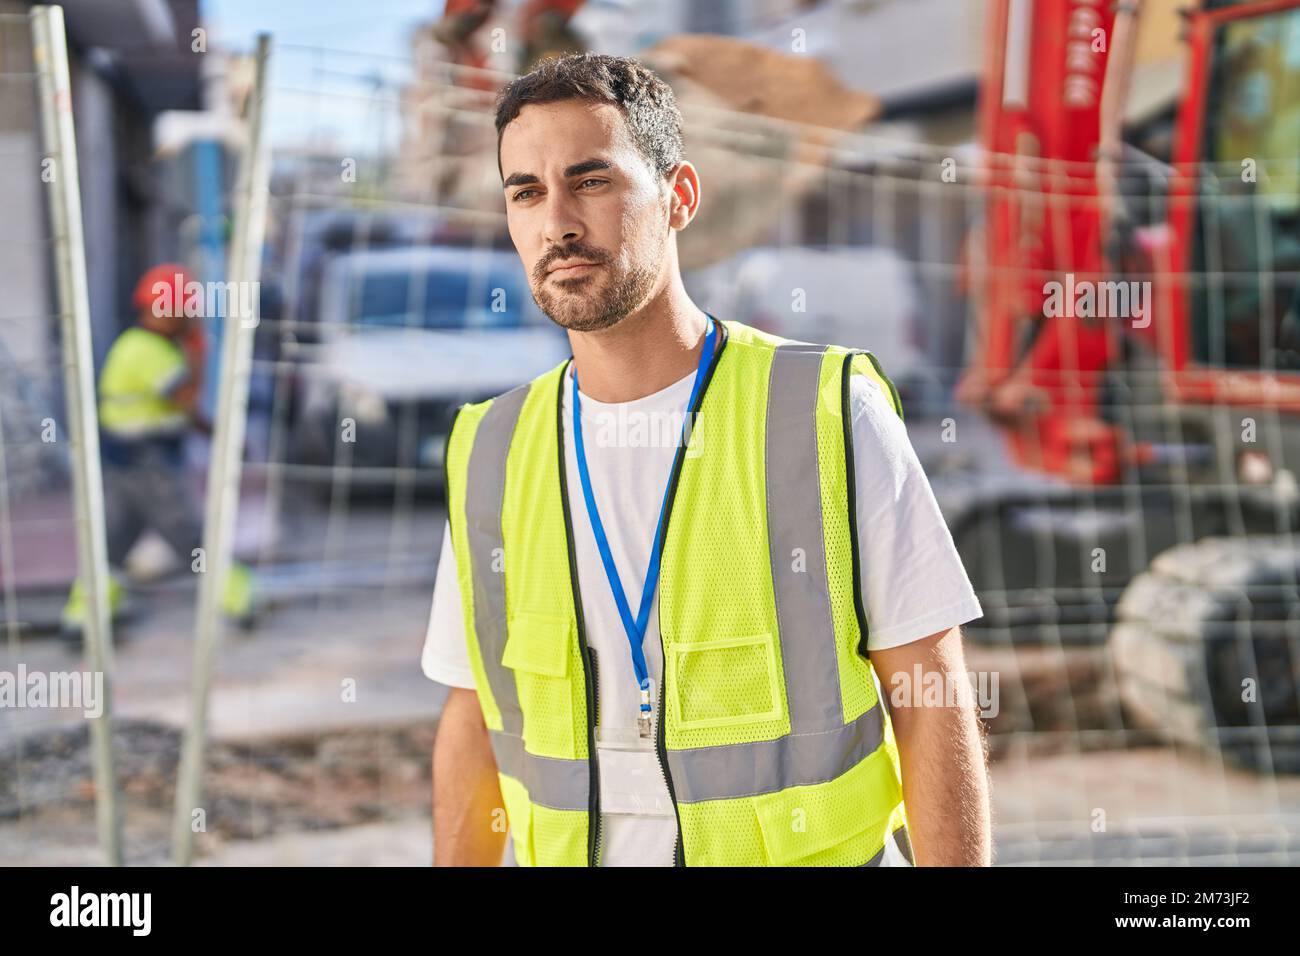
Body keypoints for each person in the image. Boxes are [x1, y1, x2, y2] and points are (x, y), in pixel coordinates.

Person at [423, 53, 991, 866]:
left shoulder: (823, 409)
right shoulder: (491, 449)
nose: (556, 223)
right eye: (526, 192)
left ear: (679, 196)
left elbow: (931, 696)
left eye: (591, 181)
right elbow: (471, 719)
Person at [61, 264, 255, 640]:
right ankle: (236, 595)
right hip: (145, 462)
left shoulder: (144, 345)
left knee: (114, 541)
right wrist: (199, 353)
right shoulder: (148, 351)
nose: (192, 319)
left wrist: (218, 436)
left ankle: (84, 615)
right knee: (188, 534)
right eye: (187, 311)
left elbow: (183, 412)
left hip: (124, 459)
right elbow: (185, 399)